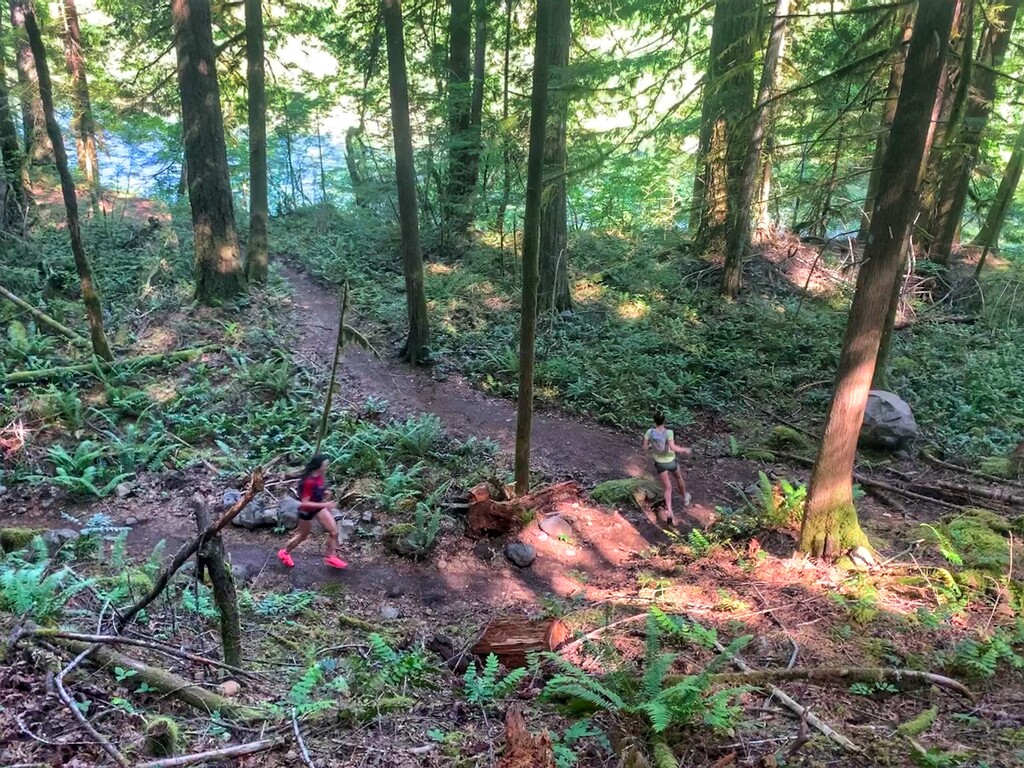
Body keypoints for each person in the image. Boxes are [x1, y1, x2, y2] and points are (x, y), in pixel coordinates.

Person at [277, 454, 348, 569]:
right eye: (325, 465)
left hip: (318, 508)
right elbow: (304, 502)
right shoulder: (308, 481)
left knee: (334, 532)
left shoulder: (320, 475)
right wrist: (325, 504)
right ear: (318, 466)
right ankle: (284, 553)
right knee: (302, 535)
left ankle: (330, 557)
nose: (327, 467)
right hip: (306, 511)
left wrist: (324, 493)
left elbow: (318, 489)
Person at [642, 413, 692, 526]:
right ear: (664, 421)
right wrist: (685, 449)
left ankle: (670, 511)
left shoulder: (649, 432)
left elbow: (644, 447)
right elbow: (673, 447)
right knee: (679, 478)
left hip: (660, 463)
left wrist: (651, 451)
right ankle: (685, 497)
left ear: (654, 421)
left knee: (668, 487)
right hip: (671, 462)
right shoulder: (668, 432)